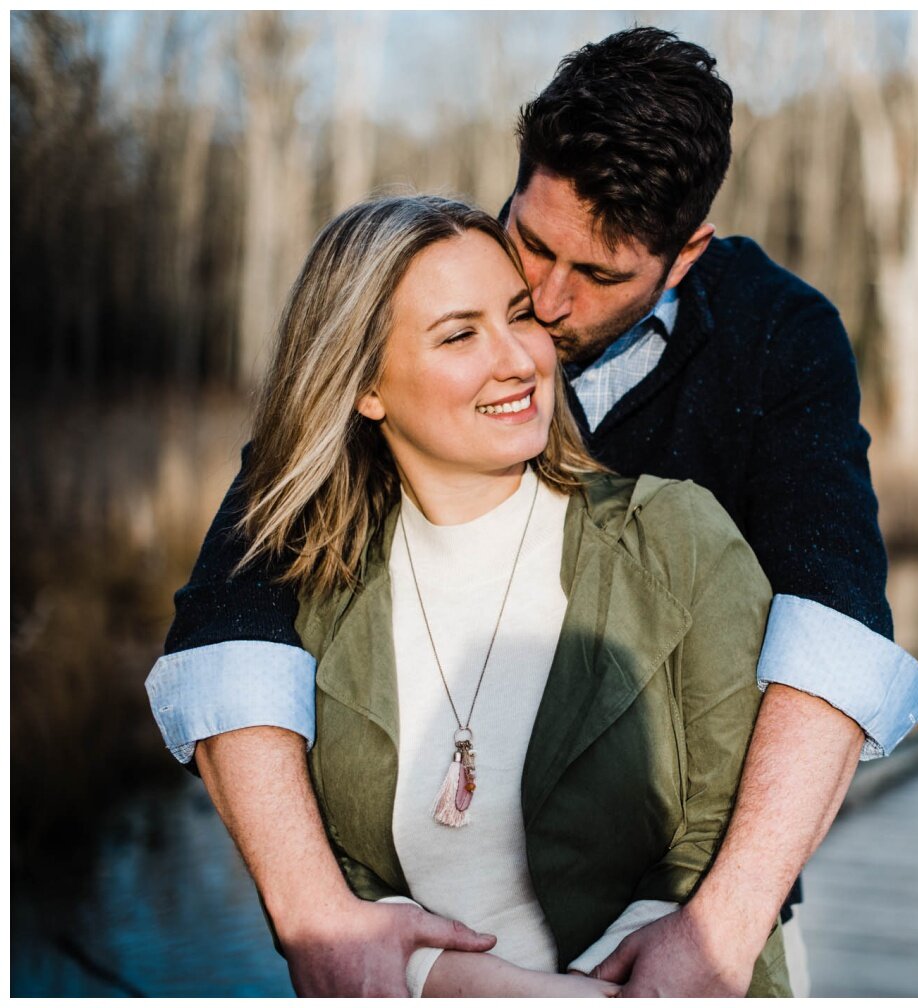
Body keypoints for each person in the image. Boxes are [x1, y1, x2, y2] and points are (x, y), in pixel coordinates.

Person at [147, 27, 918, 997]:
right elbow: (231, 629)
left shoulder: (779, 338)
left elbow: (832, 628)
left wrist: (720, 934)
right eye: (531, 244)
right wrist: (318, 919)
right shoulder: (410, 308)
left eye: (599, 276)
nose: (545, 307)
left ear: (685, 255)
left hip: (693, 932)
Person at [234, 192, 791, 996]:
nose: (520, 358)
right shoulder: (323, 585)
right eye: (460, 334)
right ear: (366, 389)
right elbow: (329, 860)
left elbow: (727, 822)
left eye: (520, 315)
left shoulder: (672, 537)